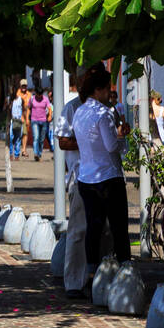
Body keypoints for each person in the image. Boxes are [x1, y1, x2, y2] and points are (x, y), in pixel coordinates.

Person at [72, 65, 132, 278]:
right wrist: (122, 137)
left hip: (86, 176)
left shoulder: (79, 111)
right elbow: (111, 146)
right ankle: (126, 271)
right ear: (97, 90)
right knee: (118, 227)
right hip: (108, 176)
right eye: (107, 89)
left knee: (94, 227)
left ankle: (91, 274)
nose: (109, 94)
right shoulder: (103, 113)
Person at [56, 65, 102, 298]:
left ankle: (101, 280)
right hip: (80, 175)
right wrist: (87, 143)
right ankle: (74, 281)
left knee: (106, 231)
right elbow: (63, 141)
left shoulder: (105, 107)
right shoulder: (72, 108)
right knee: (78, 230)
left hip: (105, 176)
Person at [29, 85, 52, 160]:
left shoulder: (45, 99)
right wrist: (26, 118)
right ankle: (36, 154)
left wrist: (49, 116)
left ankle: (39, 153)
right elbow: (28, 108)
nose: (39, 96)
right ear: (35, 93)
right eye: (38, 94)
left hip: (43, 120)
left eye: (40, 95)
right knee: (36, 137)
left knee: (41, 139)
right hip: (34, 120)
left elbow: (49, 108)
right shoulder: (32, 99)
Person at [9, 80, 28, 160]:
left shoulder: (21, 99)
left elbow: (24, 109)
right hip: (11, 121)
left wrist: (24, 118)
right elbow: (6, 110)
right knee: (10, 137)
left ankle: (17, 154)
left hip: (19, 121)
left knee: (18, 137)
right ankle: (10, 153)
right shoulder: (9, 100)